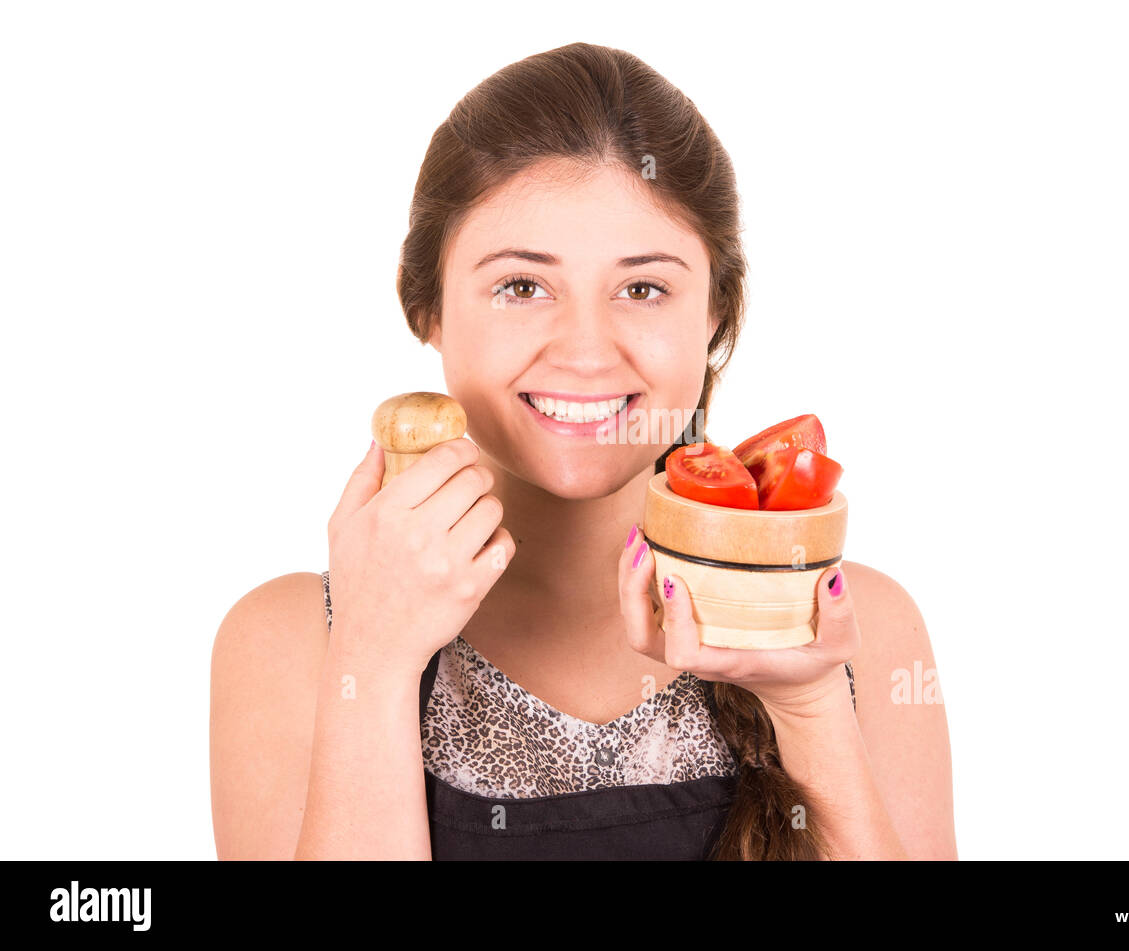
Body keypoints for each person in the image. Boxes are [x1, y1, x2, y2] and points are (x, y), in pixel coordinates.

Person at [210, 42, 956, 861]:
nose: (588, 351)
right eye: (522, 286)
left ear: (714, 314)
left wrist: (810, 704)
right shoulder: (292, 643)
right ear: (425, 305)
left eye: (643, 288)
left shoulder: (855, 629)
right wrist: (375, 662)